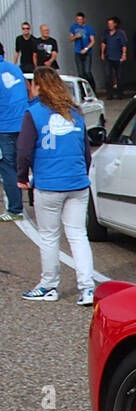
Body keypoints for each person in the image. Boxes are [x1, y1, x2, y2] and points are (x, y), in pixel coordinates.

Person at [17, 68, 97, 305]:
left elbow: (24, 150)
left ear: (40, 86)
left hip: (49, 183)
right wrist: (81, 172)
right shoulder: (76, 113)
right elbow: (86, 151)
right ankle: (87, 288)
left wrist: (23, 176)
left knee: (50, 236)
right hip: (77, 182)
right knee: (78, 235)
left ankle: (49, 285)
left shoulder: (34, 113)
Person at [0, 50, 27, 221]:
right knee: (24, 163)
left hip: (4, 125)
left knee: (6, 166)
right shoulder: (15, 69)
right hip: (23, 122)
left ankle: (15, 209)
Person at [100, 17, 127, 98]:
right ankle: (110, 94)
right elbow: (103, 43)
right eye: (108, 24)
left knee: (119, 76)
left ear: (115, 24)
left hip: (118, 57)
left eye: (111, 24)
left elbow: (124, 45)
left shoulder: (120, 33)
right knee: (108, 76)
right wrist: (102, 53)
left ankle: (120, 94)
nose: (109, 25)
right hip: (109, 56)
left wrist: (124, 54)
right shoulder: (106, 33)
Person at [68, 12, 96, 88]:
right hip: (78, 52)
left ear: (84, 19)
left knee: (87, 71)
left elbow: (93, 41)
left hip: (87, 52)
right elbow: (70, 39)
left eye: (80, 19)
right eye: (78, 19)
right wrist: (75, 37)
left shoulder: (88, 28)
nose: (79, 21)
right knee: (80, 73)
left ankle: (92, 88)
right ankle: (82, 90)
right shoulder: (73, 27)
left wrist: (86, 49)